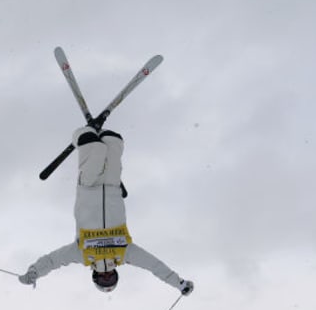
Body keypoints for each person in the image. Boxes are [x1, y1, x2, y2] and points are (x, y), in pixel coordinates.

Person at [18, 126, 195, 296]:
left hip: (88, 188)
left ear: (95, 276)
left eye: (104, 279)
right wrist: (179, 284)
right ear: (116, 274)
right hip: (112, 188)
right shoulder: (126, 253)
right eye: (110, 278)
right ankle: (99, 131)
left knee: (94, 147)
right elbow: (155, 266)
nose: (107, 275)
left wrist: (35, 272)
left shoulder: (82, 253)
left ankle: (81, 133)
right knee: (114, 141)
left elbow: (52, 261)